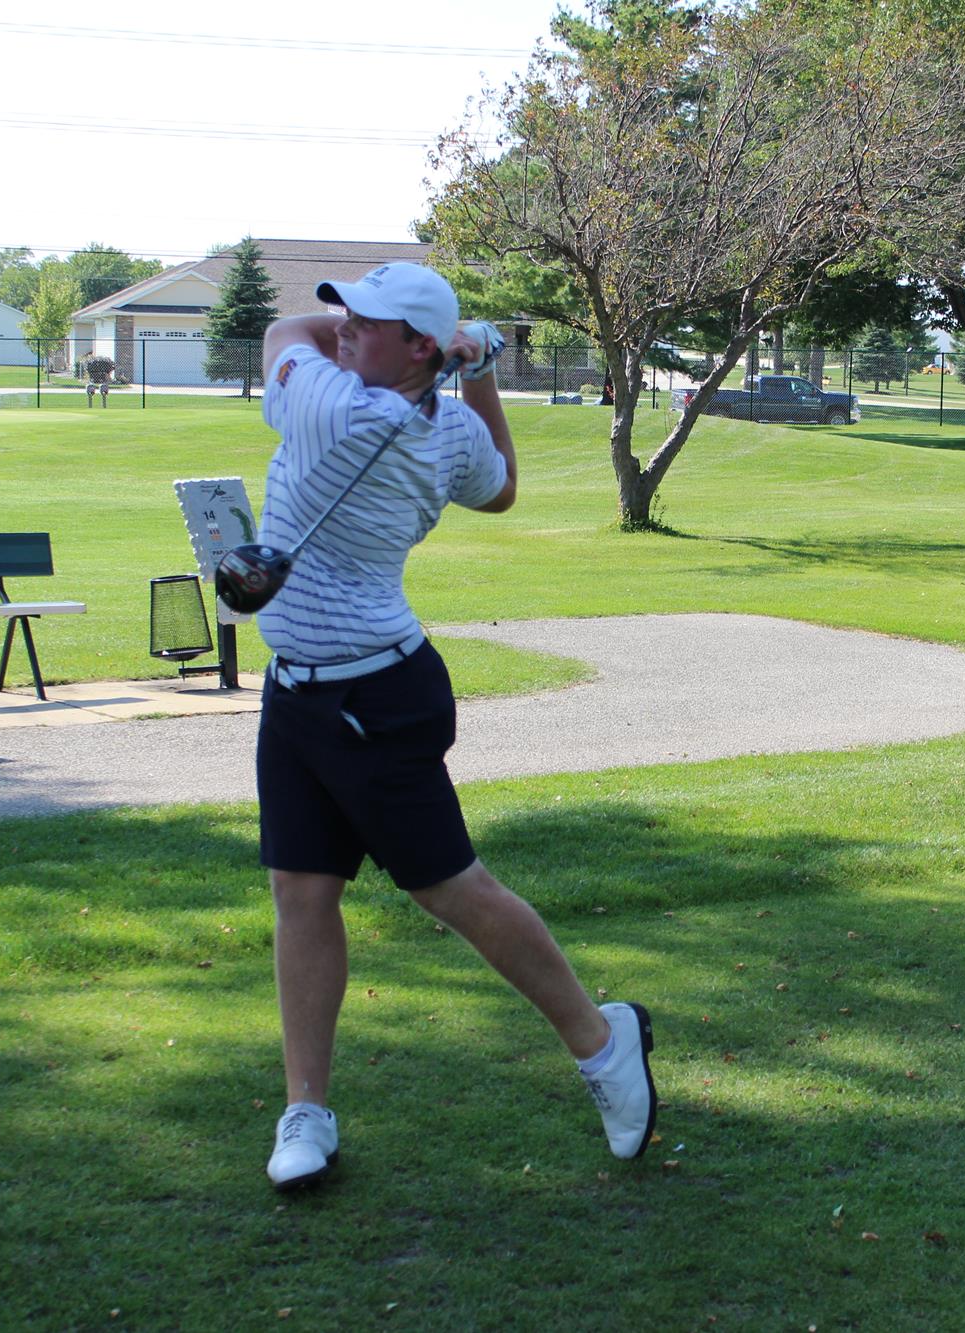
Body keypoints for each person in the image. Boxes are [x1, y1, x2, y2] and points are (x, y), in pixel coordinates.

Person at [250, 262, 657, 1192]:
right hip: (301, 692)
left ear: (415, 345)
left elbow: (283, 336)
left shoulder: (336, 410)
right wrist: (476, 365)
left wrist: (455, 350)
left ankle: (604, 1045)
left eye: (370, 320)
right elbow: (503, 486)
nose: (344, 326)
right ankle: (305, 1108)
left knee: (452, 890)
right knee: (302, 895)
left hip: (370, 701)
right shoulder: (441, 426)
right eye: (346, 314)